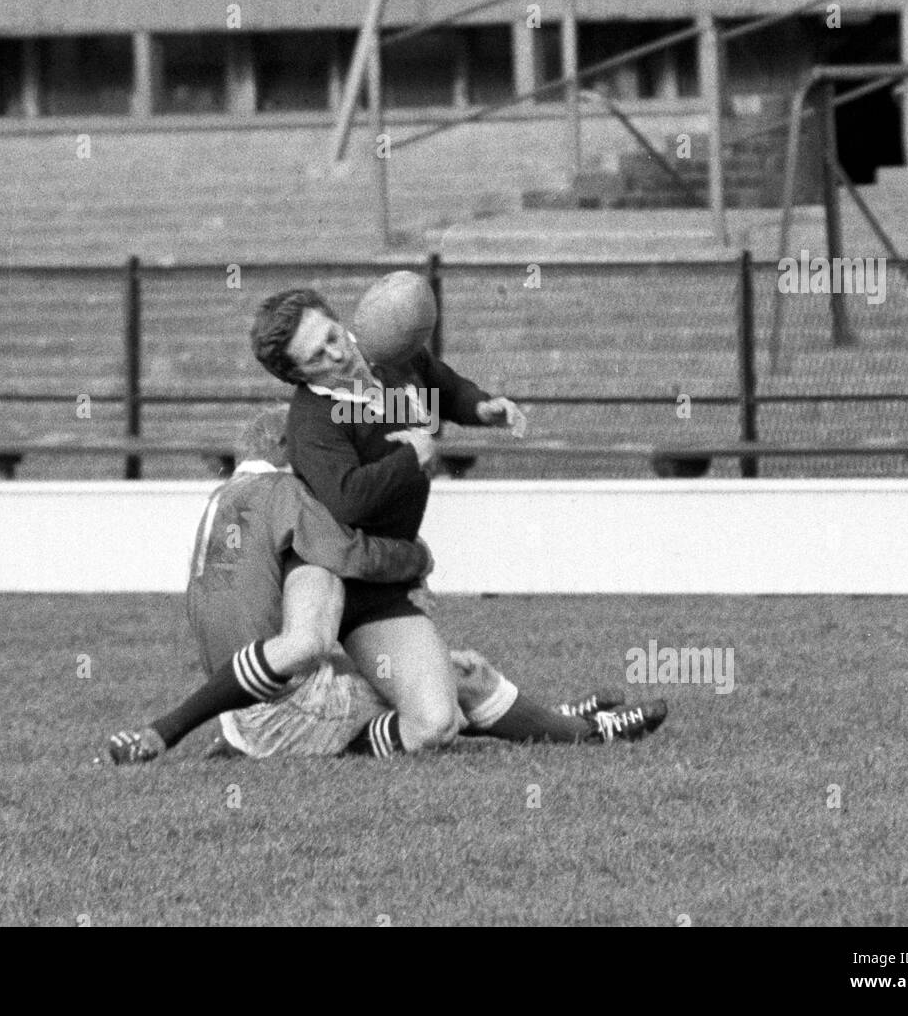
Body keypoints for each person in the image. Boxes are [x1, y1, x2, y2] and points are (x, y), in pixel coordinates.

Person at [108, 408, 660, 764]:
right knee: (460, 674)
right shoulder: (289, 495)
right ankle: (586, 733)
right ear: (286, 444)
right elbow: (356, 556)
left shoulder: (222, 499)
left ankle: (556, 716)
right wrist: (415, 556)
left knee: (421, 678)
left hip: (241, 703)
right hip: (282, 707)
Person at [249, 289, 667, 757]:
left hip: (394, 567)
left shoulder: (385, 352)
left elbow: (437, 383)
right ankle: (583, 731)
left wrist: (479, 407)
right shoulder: (313, 422)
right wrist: (412, 455)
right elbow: (348, 502)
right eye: (316, 358)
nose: (336, 354)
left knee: (457, 681)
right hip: (353, 588)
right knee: (435, 720)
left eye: (332, 337)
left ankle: (574, 727)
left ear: (337, 321)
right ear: (296, 374)